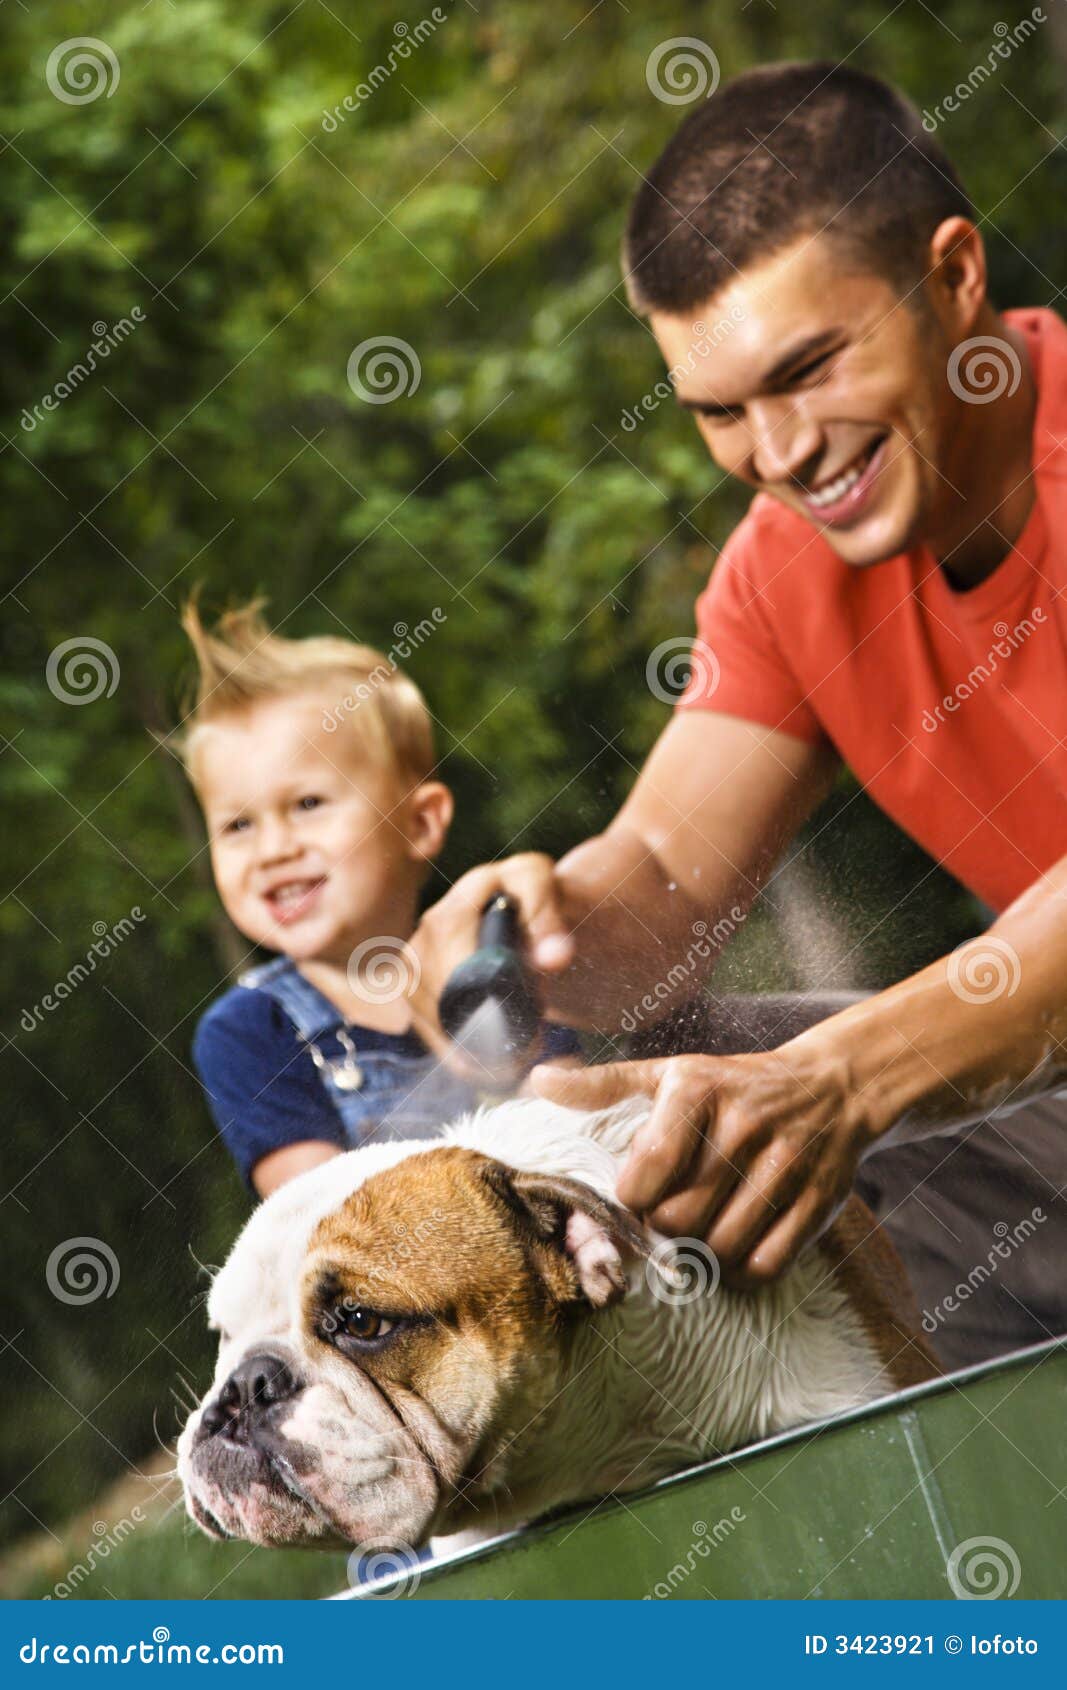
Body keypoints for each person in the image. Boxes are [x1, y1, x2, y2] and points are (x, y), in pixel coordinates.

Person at [404, 62, 1067, 1369]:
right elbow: (654, 878)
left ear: (950, 277)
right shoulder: (781, 570)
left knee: (799, 1089)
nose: (776, 451)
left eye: (808, 367)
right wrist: (526, 940)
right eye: (716, 410)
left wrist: (848, 1075)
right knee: (674, 1078)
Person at [179, 600, 578, 1198]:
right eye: (238, 826)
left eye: (307, 804)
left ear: (419, 823)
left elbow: (572, 1123)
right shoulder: (250, 1031)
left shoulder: (498, 959)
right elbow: (322, 1217)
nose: (272, 849)